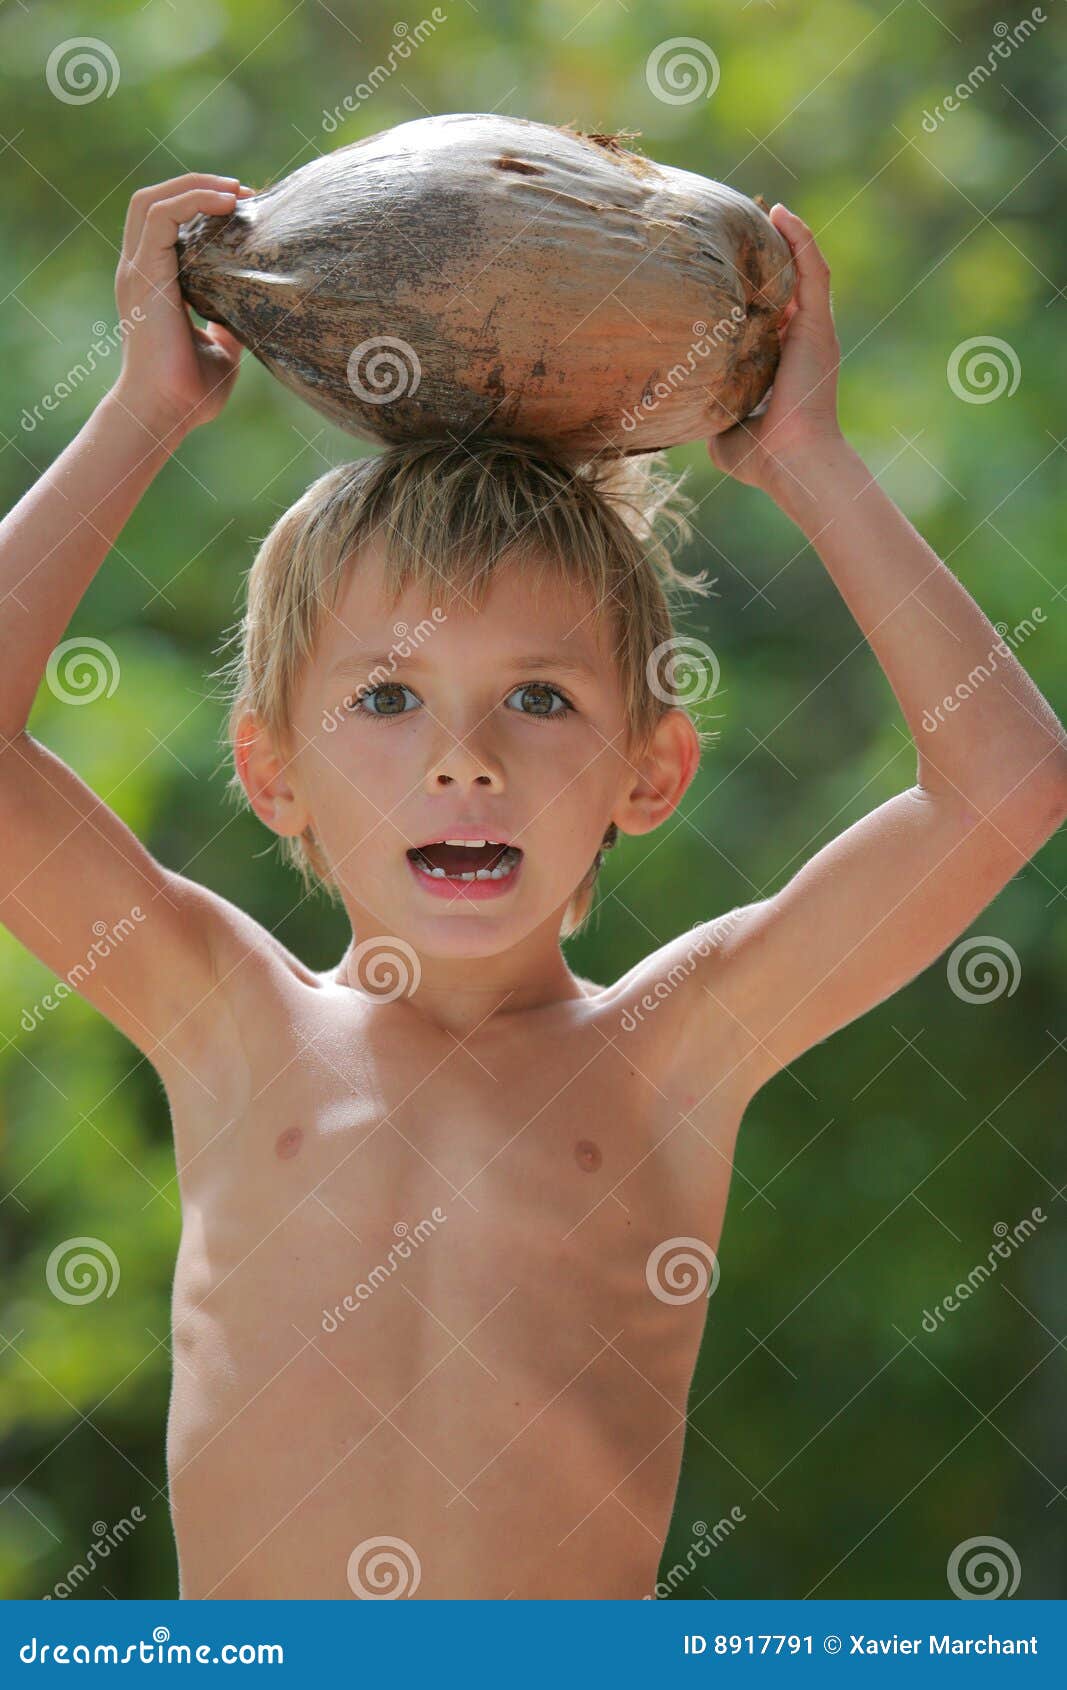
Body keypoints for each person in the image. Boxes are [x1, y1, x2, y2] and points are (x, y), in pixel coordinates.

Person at [2, 176, 1064, 1600]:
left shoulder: (672, 1052)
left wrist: (806, 454)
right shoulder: (228, 1019)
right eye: (387, 697)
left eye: (542, 700)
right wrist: (142, 411)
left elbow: (1007, 783)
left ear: (651, 768)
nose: (465, 759)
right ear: (272, 775)